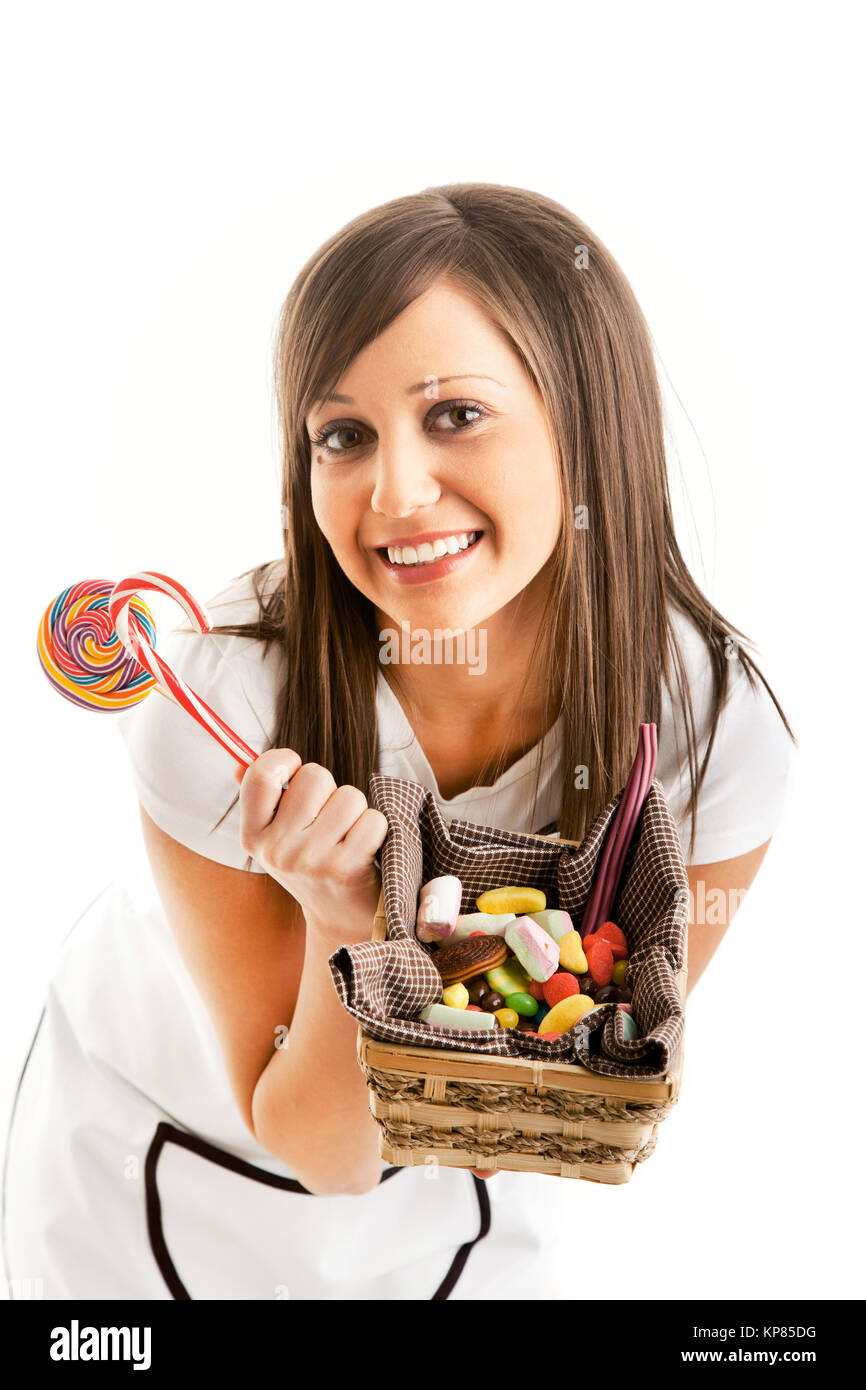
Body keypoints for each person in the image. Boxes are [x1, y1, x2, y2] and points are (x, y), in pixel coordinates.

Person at [2, 182, 797, 1300]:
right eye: (343, 434)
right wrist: (340, 924)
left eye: (453, 414)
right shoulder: (215, 705)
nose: (395, 492)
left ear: (587, 416)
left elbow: (547, 1104)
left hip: (463, 1200)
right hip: (151, 1169)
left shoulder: (712, 733)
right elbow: (323, 1148)